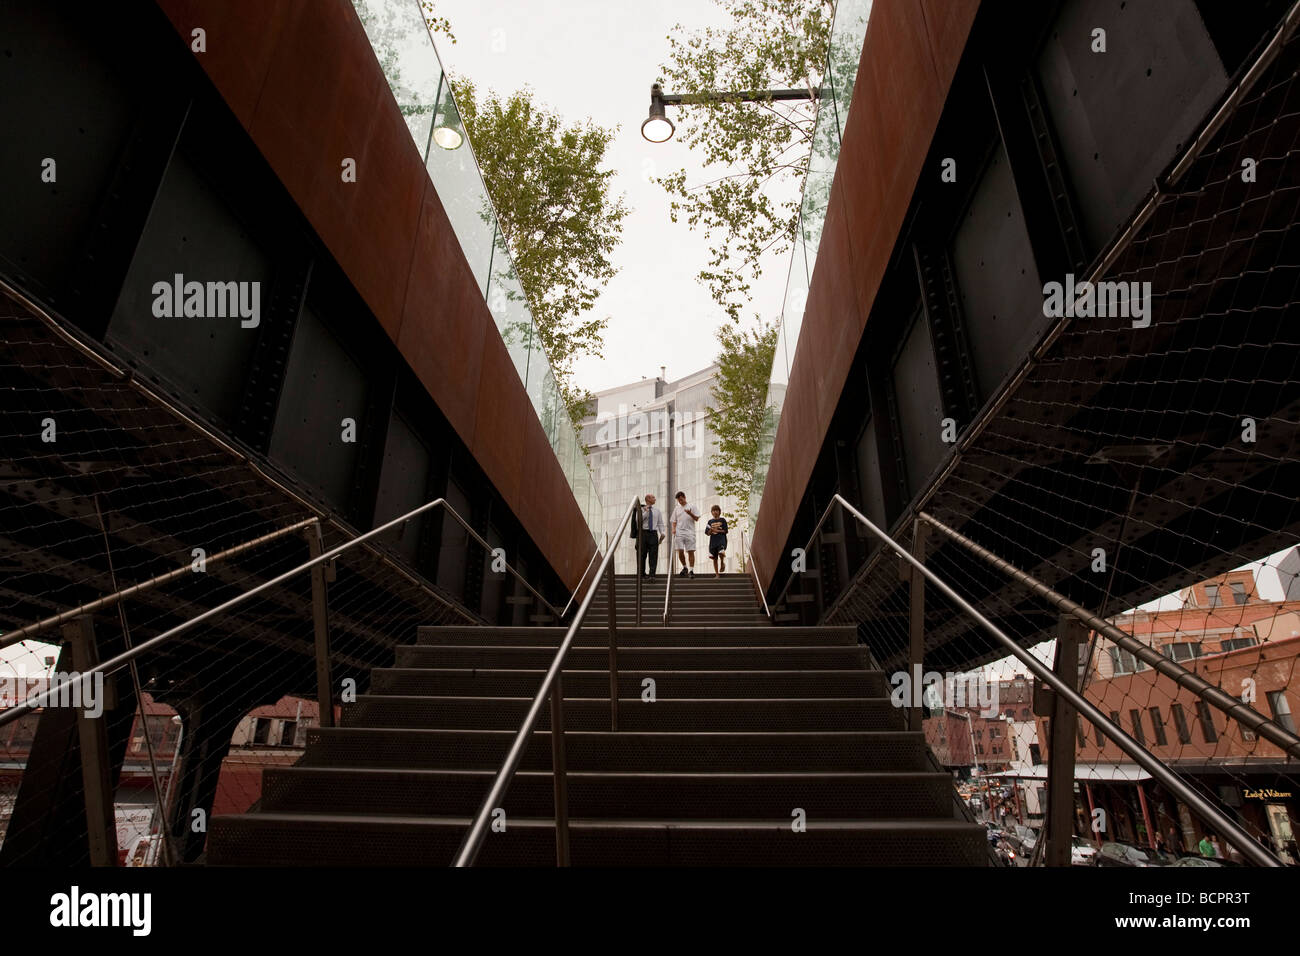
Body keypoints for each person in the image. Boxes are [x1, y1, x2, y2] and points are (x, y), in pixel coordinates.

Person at [670, 491, 701, 578]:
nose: (680, 502)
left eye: (681, 499)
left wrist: (690, 513)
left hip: (690, 532)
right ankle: (685, 567)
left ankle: (691, 570)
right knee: (680, 550)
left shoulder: (692, 506)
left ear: (684, 497)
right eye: (679, 500)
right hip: (679, 532)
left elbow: (697, 518)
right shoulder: (677, 509)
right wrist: (673, 529)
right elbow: (674, 521)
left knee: (690, 551)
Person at [637, 493, 665, 577]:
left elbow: (660, 523)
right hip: (643, 533)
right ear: (648, 499)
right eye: (653, 497)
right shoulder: (641, 509)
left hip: (653, 533)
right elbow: (638, 520)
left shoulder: (657, 511)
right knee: (642, 554)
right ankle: (642, 574)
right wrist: (646, 512)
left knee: (653, 554)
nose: (655, 499)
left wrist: (662, 532)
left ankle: (652, 574)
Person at [704, 505, 728, 577]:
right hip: (713, 541)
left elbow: (726, 531)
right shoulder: (710, 522)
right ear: (711, 512)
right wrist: (711, 531)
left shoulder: (722, 520)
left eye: (716, 510)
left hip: (721, 539)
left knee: (721, 552)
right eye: (713, 511)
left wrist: (717, 530)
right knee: (714, 558)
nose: (715, 512)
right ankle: (717, 574)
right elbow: (707, 533)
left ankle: (722, 562)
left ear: (719, 512)